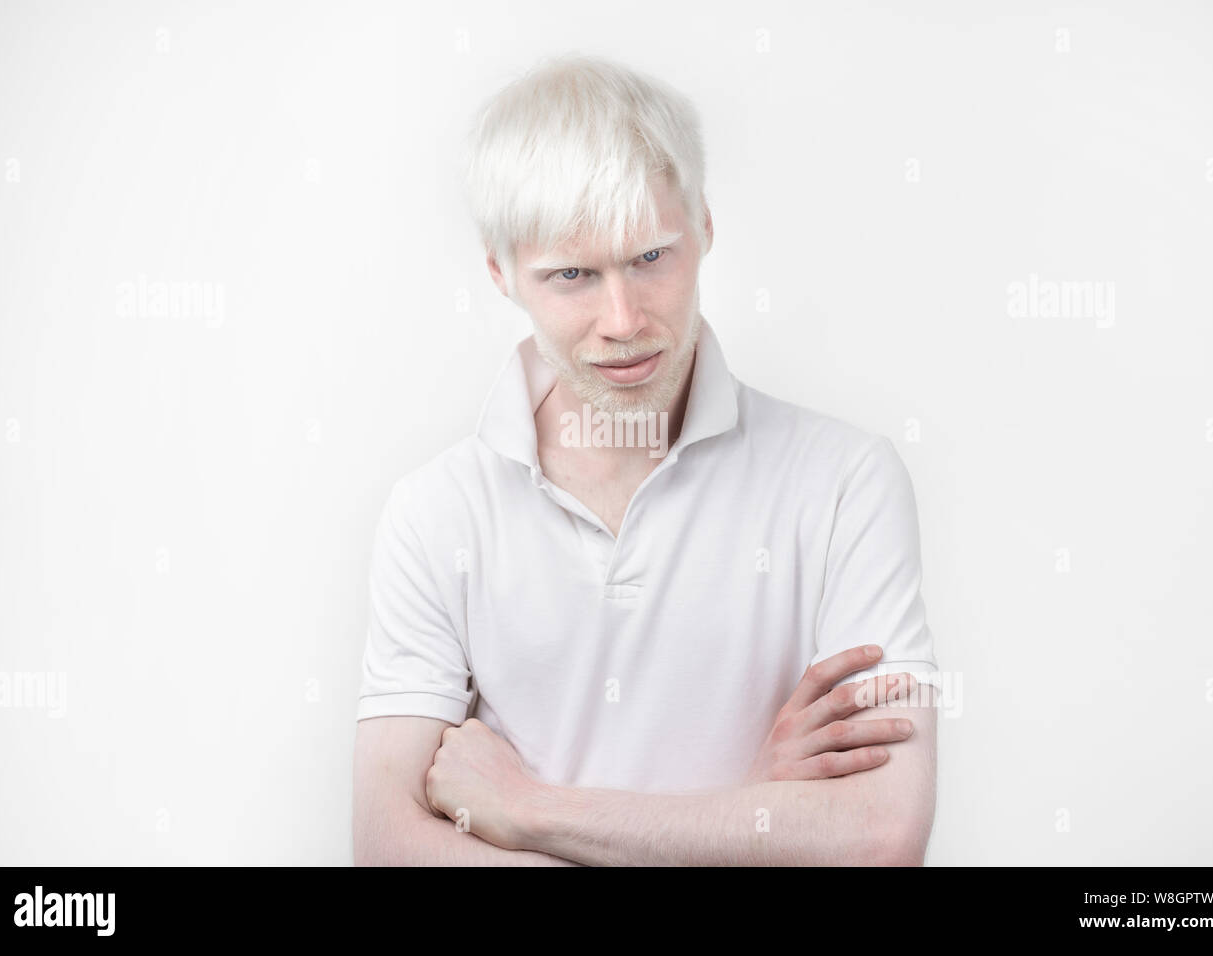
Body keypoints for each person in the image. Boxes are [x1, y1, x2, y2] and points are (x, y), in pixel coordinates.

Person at [351, 53, 941, 866]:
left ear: (703, 226)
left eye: (651, 258)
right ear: (500, 274)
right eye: (572, 275)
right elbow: (388, 848)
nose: (623, 319)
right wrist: (747, 820)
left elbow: (881, 836)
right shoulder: (434, 514)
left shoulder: (847, 483)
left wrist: (533, 812)